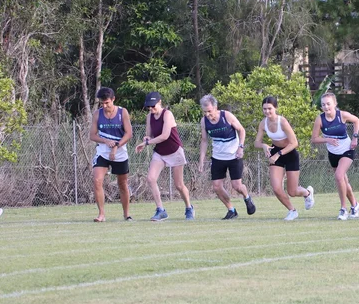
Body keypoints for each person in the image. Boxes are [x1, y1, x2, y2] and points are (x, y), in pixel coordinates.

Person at [135, 92, 194, 221]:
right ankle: (161, 210)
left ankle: (189, 207)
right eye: (149, 107)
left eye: (153, 106)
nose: (151, 109)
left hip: (175, 151)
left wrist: (146, 142)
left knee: (179, 185)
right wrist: (146, 139)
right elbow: (149, 135)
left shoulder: (167, 114)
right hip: (160, 152)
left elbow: (165, 136)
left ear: (159, 102)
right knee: (150, 179)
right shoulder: (149, 116)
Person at [253, 96, 314, 221]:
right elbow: (256, 143)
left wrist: (278, 154)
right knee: (276, 188)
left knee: (292, 191)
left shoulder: (283, 122)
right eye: (264, 109)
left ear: (275, 108)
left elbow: (294, 143)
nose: (267, 111)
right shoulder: (263, 123)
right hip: (275, 153)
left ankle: (307, 193)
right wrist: (264, 146)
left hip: (289, 153)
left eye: (269, 108)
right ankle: (292, 210)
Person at [199, 94, 256, 220]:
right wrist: (201, 161)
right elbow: (204, 141)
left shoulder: (227, 116)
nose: (207, 114)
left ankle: (247, 197)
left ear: (215, 107)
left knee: (237, 186)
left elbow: (241, 130)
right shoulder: (204, 121)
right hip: (217, 157)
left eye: (209, 111)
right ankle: (231, 210)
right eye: (205, 112)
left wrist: (241, 147)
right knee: (216, 187)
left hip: (233, 156)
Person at [312, 92, 359, 220]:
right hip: (333, 154)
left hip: (347, 150)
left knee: (339, 176)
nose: (326, 107)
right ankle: (355, 205)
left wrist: (355, 138)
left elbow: (356, 120)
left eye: (328, 104)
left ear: (335, 104)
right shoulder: (320, 119)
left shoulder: (342, 115)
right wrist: (327, 140)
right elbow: (314, 139)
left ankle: (343, 209)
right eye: (323, 104)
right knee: (343, 181)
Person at [88, 87, 133, 222]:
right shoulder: (97, 114)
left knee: (122, 184)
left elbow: (129, 133)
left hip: (120, 153)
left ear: (113, 99)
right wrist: (105, 141)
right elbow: (92, 135)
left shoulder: (122, 112)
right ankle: (101, 214)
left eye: (107, 102)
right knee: (97, 181)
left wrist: (116, 147)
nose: (105, 106)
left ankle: (126, 214)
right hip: (102, 152)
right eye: (102, 103)